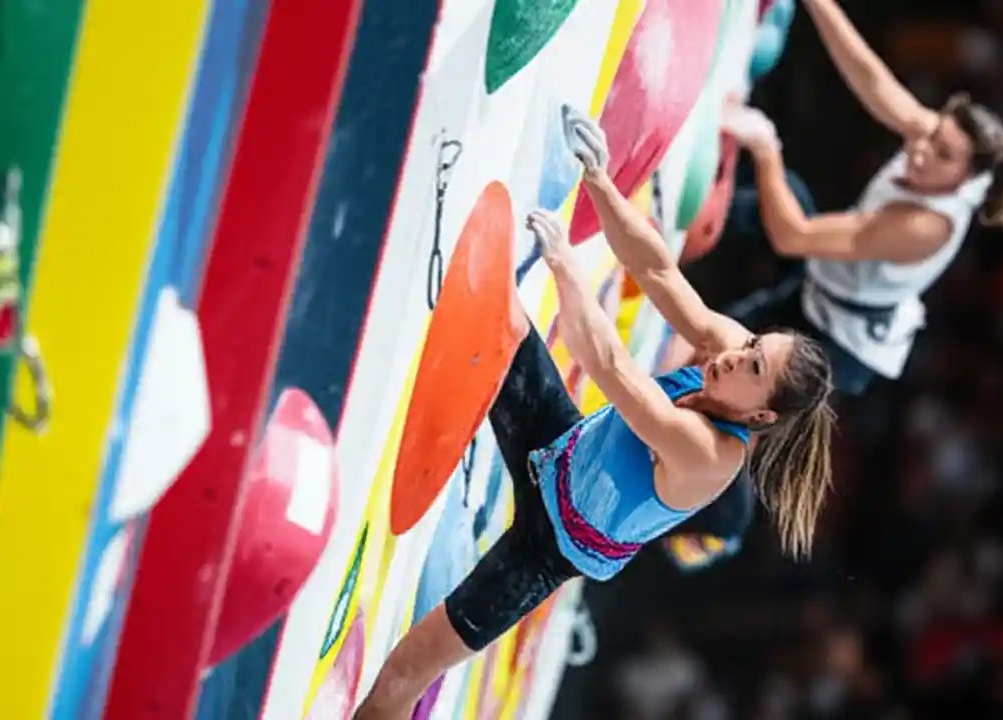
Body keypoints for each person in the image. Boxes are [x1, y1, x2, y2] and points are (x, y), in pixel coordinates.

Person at [353, 111, 836, 720]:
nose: (735, 356)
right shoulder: (728, 353)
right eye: (751, 347)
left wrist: (565, 267)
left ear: (762, 415)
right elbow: (659, 271)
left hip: (546, 547)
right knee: (496, 304)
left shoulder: (711, 455)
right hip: (556, 448)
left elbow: (612, 368)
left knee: (406, 670)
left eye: (753, 367)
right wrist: (601, 179)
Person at [655, 0, 1003, 565]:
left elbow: (796, 237)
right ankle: (674, 214)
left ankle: (721, 528)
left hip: (843, 340)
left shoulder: (925, 226)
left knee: (739, 402)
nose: (921, 148)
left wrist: (765, 146)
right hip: (823, 284)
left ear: (966, 179)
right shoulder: (934, 141)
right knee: (766, 214)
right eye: (929, 132)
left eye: (941, 153)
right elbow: (870, 77)